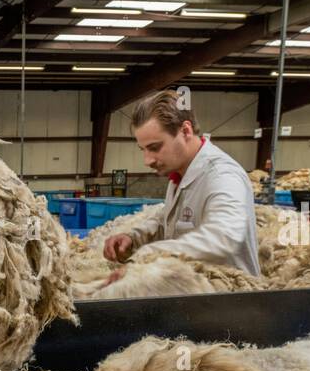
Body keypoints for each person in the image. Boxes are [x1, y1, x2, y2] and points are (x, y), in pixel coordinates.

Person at [103, 90, 261, 281]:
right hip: (194, 296)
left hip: (230, 300)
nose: (147, 160)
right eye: (143, 149)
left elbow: (223, 237)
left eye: (155, 147)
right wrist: (134, 238)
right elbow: (168, 225)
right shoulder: (179, 174)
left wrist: (150, 255)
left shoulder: (222, 176)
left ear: (185, 131)